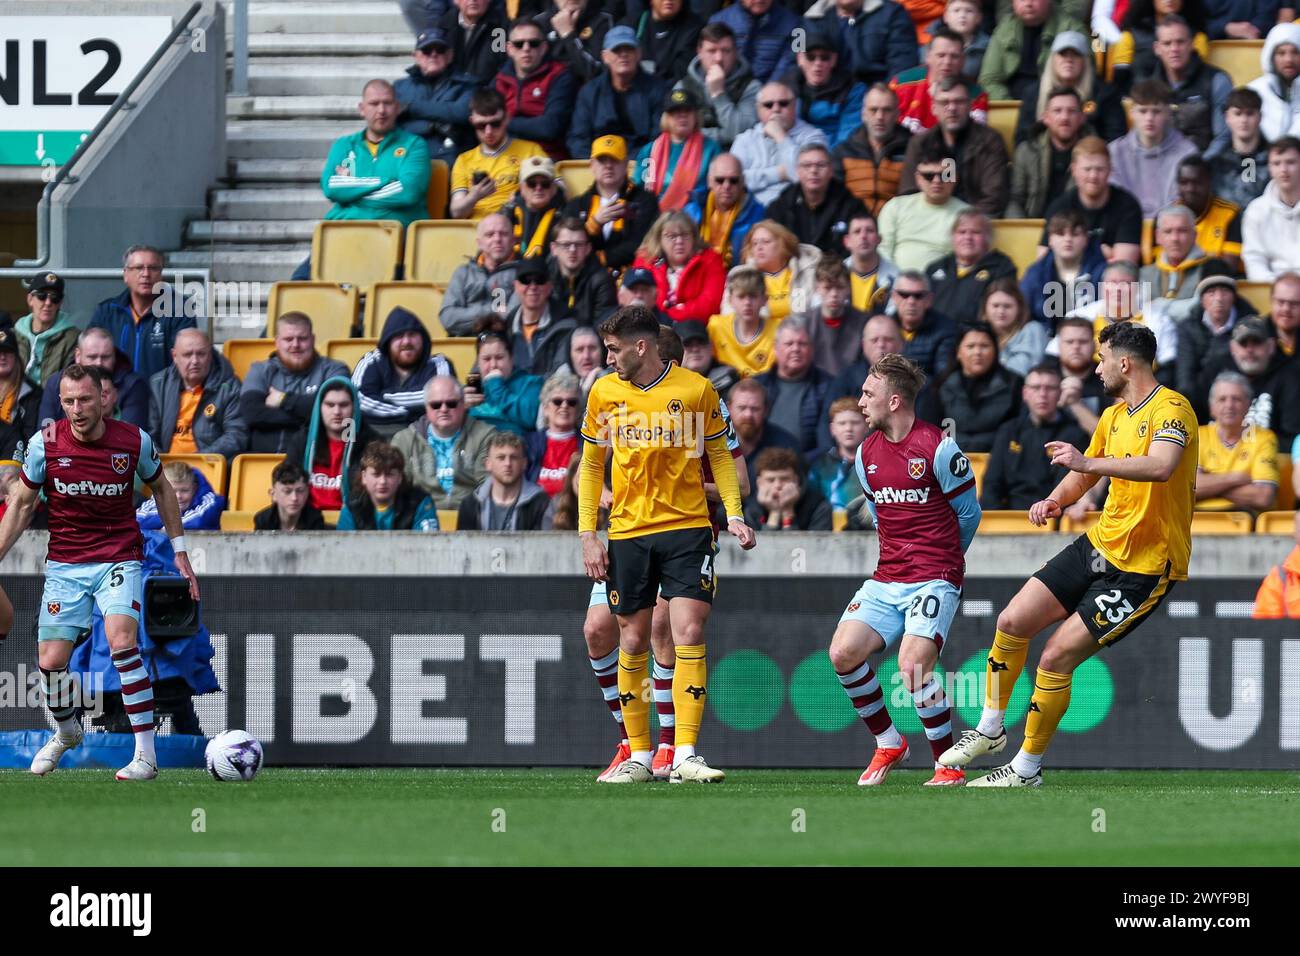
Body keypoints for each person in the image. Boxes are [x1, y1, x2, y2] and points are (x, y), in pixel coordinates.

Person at [943, 322, 1197, 787]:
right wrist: (1056, 499)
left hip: (1144, 566)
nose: (1096, 368)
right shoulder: (1114, 416)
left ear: (1124, 362)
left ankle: (1026, 769)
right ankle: (990, 729)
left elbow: (1162, 467)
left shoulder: (1173, 409)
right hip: (1099, 545)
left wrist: (1088, 464)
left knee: (1056, 657)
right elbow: (1084, 473)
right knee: (1011, 622)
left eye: (1101, 359)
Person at [578, 305, 755, 783]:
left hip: (687, 528)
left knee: (688, 631)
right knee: (632, 639)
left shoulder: (695, 391)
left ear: (642, 347)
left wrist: (734, 515)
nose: (607, 358)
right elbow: (592, 466)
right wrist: (588, 535)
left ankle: (685, 752)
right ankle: (638, 754)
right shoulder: (603, 393)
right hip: (629, 532)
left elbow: (719, 455)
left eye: (614, 349)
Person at [0, 363, 199, 780]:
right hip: (66, 564)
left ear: (104, 399)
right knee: (51, 663)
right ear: (61, 403)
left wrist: (179, 550)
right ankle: (68, 732)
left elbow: (162, 487)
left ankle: (146, 756)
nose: (77, 408)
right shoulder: (44, 445)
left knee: (122, 642)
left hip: (118, 556)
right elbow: (20, 505)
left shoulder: (132, 442)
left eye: (85, 399)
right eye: (69, 401)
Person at [828, 352, 980, 786]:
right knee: (842, 653)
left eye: (868, 394)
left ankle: (947, 765)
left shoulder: (939, 447)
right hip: (888, 576)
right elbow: (878, 512)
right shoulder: (866, 453)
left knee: (913, 665)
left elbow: (968, 515)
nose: (860, 402)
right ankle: (889, 742)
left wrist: (947, 562)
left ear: (894, 401)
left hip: (935, 576)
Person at [318, 80, 430, 229]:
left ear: (397, 108)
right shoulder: (344, 145)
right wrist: (388, 182)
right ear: (362, 109)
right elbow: (331, 187)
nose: (381, 110)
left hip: (397, 234)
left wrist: (351, 194)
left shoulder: (414, 145)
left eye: (387, 103)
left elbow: (408, 192)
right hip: (347, 234)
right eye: (374, 103)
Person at [980, 364, 1090, 509]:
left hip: (1053, 516)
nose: (1043, 394)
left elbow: (1068, 489)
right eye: (1036, 388)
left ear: (1059, 393)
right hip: (1011, 519)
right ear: (1025, 393)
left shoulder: (1074, 435)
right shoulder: (1009, 431)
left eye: (1050, 388)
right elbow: (992, 484)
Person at [239, 313, 350, 454]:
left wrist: (282, 399)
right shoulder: (259, 370)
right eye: (288, 339)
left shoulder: (334, 369)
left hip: (316, 461)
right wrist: (311, 415)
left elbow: (337, 410)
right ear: (277, 342)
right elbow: (251, 413)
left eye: (302, 339)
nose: (296, 345)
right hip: (261, 460)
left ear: (313, 340)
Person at [899, 76, 1009, 218]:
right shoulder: (919, 143)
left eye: (959, 102)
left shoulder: (990, 141)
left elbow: (995, 196)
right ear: (933, 108)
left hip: (974, 225)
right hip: (929, 223)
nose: (952, 108)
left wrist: (962, 222)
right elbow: (909, 193)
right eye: (944, 102)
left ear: (970, 105)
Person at [90, 245, 199, 382]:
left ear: (161, 275)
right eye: (138, 268)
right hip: (116, 397)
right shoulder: (107, 311)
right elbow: (89, 357)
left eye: (153, 268)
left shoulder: (179, 310)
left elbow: (185, 361)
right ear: (126, 275)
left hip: (161, 399)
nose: (146, 274)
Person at [392, 374, 497, 510]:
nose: (444, 409)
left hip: (471, 518)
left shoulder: (485, 435)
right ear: (426, 408)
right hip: (421, 519)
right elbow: (398, 489)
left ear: (463, 404)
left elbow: (489, 486)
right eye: (436, 405)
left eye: (451, 403)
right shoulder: (404, 440)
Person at [566, 27, 668, 160]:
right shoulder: (589, 92)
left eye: (629, 49)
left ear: (638, 54)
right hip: (599, 164)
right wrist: (596, 164)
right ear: (605, 57)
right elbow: (578, 139)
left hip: (642, 164)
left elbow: (660, 139)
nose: (623, 54)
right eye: (616, 50)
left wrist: (628, 163)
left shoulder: (657, 88)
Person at [562, 135, 660, 273]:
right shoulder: (576, 205)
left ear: (626, 163)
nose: (608, 166)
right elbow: (567, 245)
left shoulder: (645, 200)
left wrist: (599, 259)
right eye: (602, 160)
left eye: (614, 160)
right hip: (586, 280)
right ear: (592, 165)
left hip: (632, 279)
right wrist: (594, 224)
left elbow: (641, 244)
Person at [352, 307, 456, 434]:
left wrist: (385, 396)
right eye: (399, 336)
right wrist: (405, 413)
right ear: (388, 341)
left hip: (424, 437)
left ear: (423, 339)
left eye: (412, 335)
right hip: (375, 436)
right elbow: (359, 400)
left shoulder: (439, 364)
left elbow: (440, 399)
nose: (406, 341)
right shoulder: (370, 361)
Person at [147, 328, 246, 459]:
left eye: (201, 354)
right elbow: (150, 436)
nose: (195, 361)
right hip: (165, 468)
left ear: (210, 355)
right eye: (187, 355)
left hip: (207, 467)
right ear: (174, 356)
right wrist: (160, 463)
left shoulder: (230, 387)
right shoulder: (158, 384)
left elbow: (236, 435)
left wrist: (196, 460)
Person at [286, 377, 380, 513]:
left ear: (354, 408)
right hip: (308, 521)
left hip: (353, 522)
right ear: (319, 408)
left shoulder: (371, 443)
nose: (337, 412)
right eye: (330, 405)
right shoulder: (302, 441)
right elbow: (286, 483)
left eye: (344, 405)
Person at [1108, 78, 1199, 219]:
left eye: (1156, 112)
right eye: (1143, 111)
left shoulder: (1188, 153)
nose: (1149, 118)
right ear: (1132, 113)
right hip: (1125, 228)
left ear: (1168, 113)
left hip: (1170, 229)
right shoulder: (1114, 152)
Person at [450, 88, 547, 220]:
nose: (488, 131)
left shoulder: (531, 151)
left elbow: (558, 190)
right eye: (481, 125)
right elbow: (456, 213)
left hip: (518, 227)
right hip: (476, 231)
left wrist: (522, 198)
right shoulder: (464, 160)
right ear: (472, 121)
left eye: (495, 123)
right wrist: (474, 196)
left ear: (507, 118)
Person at [1015, 30, 1124, 146]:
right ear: (1052, 59)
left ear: (1085, 61)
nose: (1069, 59)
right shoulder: (1032, 94)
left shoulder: (1105, 94)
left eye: (1076, 54)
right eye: (1063, 54)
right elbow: (1022, 140)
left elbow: (1116, 140)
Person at [730, 82, 829, 205]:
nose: (776, 109)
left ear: (794, 106)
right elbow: (732, 181)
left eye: (783, 103)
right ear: (758, 109)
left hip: (795, 210)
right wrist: (779, 174)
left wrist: (781, 137)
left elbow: (803, 176)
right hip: (751, 212)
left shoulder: (813, 137)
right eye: (768, 105)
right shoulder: (745, 140)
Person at [878, 141, 971, 272]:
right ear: (918, 178)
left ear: (955, 178)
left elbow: (970, 261)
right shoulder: (895, 207)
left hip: (944, 286)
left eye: (945, 175)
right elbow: (883, 250)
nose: (936, 181)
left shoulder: (968, 215)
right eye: (928, 176)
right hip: (896, 285)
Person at [494, 17, 577, 162]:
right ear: (509, 49)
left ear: (543, 48)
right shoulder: (500, 79)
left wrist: (504, 122)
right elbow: (486, 121)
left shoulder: (559, 76)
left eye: (533, 43)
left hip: (546, 159)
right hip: (505, 158)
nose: (526, 49)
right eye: (519, 44)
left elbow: (550, 127)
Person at [1194, 371, 1280, 511]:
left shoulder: (1264, 438)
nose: (1229, 405)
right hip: (1199, 518)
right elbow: (1187, 489)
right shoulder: (1198, 435)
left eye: (1236, 399)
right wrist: (1236, 478)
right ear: (1211, 407)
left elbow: (1263, 497)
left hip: (1244, 520)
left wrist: (1209, 485)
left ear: (1248, 405)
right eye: (1222, 399)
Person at [395, 27, 475, 174]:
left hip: (451, 161)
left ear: (450, 55)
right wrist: (434, 126)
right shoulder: (400, 87)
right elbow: (392, 123)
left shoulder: (467, 84)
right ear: (416, 56)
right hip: (406, 158)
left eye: (440, 50)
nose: (433, 55)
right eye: (426, 51)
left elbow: (462, 113)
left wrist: (412, 107)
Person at [765, 143, 869, 253]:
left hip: (837, 267)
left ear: (831, 171)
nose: (814, 171)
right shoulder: (780, 207)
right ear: (798, 171)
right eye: (807, 166)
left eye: (821, 165)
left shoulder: (851, 205)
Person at [1175, 266, 1258, 405]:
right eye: (1211, 293)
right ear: (1201, 300)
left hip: (1240, 398)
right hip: (1200, 398)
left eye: (1225, 291)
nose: (1219, 299)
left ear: (1234, 297)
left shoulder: (1252, 324)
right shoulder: (1188, 327)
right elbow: (1185, 377)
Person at [1150, 13, 1232, 153]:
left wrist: (1199, 166)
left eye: (1180, 42)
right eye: (1167, 43)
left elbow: (1223, 138)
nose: (1174, 49)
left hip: (1206, 167)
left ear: (1191, 44)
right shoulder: (1149, 87)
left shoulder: (1217, 81)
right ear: (1157, 48)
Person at [39, 327, 149, 430]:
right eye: (92, 357)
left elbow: (132, 437)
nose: (99, 363)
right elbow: (46, 434)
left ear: (114, 356)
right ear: (78, 355)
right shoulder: (56, 383)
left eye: (105, 357)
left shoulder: (133, 385)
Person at [938, 322, 1024, 453]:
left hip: (998, 458)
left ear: (995, 350)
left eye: (984, 346)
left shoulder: (1014, 384)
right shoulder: (940, 386)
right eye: (970, 346)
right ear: (958, 352)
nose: (977, 352)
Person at [752, 317, 834, 454]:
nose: (796, 349)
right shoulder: (758, 385)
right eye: (789, 344)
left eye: (802, 344)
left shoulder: (827, 386)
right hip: (761, 465)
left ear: (811, 349)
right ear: (775, 349)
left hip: (807, 466)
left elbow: (826, 441)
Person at [672, 21, 761, 148]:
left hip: (736, 159)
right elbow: (676, 131)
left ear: (735, 52)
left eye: (726, 51)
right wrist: (723, 135)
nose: (719, 58)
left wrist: (718, 94)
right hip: (692, 155)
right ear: (699, 52)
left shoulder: (751, 87)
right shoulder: (684, 86)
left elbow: (742, 133)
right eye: (712, 51)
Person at [1007, 86, 1090, 220]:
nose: (1065, 117)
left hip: (1076, 232)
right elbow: (1015, 199)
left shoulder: (1094, 154)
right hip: (1033, 229)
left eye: (1072, 111)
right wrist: (1024, 230)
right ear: (1045, 118)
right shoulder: (1026, 151)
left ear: (1082, 117)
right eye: (1057, 111)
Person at [979, 0, 1087, 102]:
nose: (1028, 4)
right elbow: (989, 79)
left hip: (1057, 106)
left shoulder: (1072, 28)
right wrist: (1008, 105)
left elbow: (1086, 74)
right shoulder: (1003, 30)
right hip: (1010, 106)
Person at [924, 210, 1017, 327]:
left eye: (976, 232)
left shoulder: (1002, 268)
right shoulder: (936, 268)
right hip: (934, 336)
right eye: (962, 232)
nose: (968, 237)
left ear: (988, 237)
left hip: (976, 338)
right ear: (953, 237)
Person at [634, 88, 722, 212]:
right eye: (675, 111)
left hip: (694, 217)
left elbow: (716, 190)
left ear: (695, 116)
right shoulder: (650, 150)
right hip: (653, 217)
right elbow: (637, 190)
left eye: (687, 111)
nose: (682, 116)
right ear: (666, 118)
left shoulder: (710, 149)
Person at [832, 83, 914, 216]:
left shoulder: (914, 149)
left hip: (899, 225)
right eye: (873, 110)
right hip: (855, 228)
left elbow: (946, 172)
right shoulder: (843, 151)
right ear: (863, 114)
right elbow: (834, 199)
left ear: (897, 114)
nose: (879, 117)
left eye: (886, 110)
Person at [631, 211, 727, 324]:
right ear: (659, 239)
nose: (679, 241)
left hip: (695, 330)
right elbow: (637, 300)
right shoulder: (645, 260)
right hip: (651, 330)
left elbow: (710, 304)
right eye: (672, 236)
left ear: (694, 237)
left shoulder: (710, 259)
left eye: (685, 235)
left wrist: (668, 316)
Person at [891, 26, 989, 135]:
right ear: (928, 57)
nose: (947, 62)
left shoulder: (976, 95)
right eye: (941, 55)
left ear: (963, 60)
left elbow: (975, 140)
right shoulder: (901, 84)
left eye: (954, 56)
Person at [1021, 209, 1108, 329]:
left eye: (1075, 234)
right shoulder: (1035, 273)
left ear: (1086, 240)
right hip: (1044, 342)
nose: (1068, 239)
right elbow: (1021, 314)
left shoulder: (1103, 272)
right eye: (1060, 233)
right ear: (1050, 239)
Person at [782, 27, 868, 149]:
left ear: (834, 60)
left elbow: (848, 138)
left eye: (825, 57)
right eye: (811, 57)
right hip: (791, 154)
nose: (818, 63)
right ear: (800, 59)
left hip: (831, 158)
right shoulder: (784, 88)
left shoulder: (852, 90)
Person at [439, 212, 520, 337]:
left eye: (503, 234)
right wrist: (492, 313)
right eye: (489, 234)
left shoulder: (523, 273)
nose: (497, 239)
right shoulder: (463, 272)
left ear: (513, 240)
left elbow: (514, 316)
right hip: (464, 346)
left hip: (506, 347)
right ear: (479, 242)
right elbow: (448, 318)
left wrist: (469, 316)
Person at [806, 0, 919, 89]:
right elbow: (795, 61)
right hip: (827, 100)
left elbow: (903, 67)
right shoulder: (810, 18)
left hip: (880, 102)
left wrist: (884, 95)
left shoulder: (894, 14)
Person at [683, 153, 767, 270]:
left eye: (733, 180)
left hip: (739, 279)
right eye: (720, 180)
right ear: (709, 181)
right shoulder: (691, 211)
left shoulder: (759, 216)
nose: (726, 186)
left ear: (742, 182)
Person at [1106, 0, 1211, 93]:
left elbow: (1199, 79)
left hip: (1186, 104)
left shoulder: (1197, 38)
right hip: (1142, 104)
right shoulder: (1129, 36)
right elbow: (1119, 83)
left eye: (1180, 42)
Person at [456, 429, 551, 529]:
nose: (508, 464)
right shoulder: (471, 504)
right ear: (488, 464)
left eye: (513, 457)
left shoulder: (541, 503)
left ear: (524, 463)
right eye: (501, 458)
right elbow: (464, 544)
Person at [337, 440, 439, 531]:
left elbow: (427, 546)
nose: (383, 481)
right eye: (376, 474)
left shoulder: (420, 502)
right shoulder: (352, 506)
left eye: (389, 474)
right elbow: (343, 548)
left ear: (400, 477)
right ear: (364, 477)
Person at [466, 321, 544, 434]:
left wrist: (496, 388)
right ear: (478, 362)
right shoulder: (471, 391)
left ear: (511, 358)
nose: (493, 365)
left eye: (499, 357)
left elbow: (530, 418)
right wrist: (459, 409)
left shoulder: (532, 384)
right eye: (486, 359)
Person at [735, 219, 821, 321]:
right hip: (759, 335)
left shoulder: (803, 271)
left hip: (798, 333)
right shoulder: (740, 276)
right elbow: (733, 316)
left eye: (766, 242)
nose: (759, 247)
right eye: (755, 243)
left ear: (783, 244)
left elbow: (801, 310)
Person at [1139, 204, 1211, 325]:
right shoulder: (1144, 274)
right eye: (1168, 231)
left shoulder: (1212, 269)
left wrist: (1157, 305)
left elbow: (1200, 310)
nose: (1175, 238)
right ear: (1158, 236)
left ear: (1195, 235)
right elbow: (1138, 310)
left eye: (1182, 231)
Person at [506, 257, 576, 376]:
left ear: (549, 286)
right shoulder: (504, 326)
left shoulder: (566, 326)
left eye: (539, 280)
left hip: (551, 392)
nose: (533, 287)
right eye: (526, 280)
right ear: (516, 286)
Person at [730, 375, 802, 491]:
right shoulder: (711, 442)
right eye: (742, 408)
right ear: (729, 408)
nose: (748, 415)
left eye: (755, 409)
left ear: (765, 410)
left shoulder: (786, 446)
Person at [707, 264, 781, 376]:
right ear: (730, 300)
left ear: (764, 299)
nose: (747, 303)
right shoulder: (716, 326)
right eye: (741, 297)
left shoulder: (778, 329)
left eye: (753, 296)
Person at [1243, 136, 1300, 280]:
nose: (1284, 169)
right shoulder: (1256, 210)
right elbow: (1254, 260)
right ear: (1269, 168)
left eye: (1291, 162)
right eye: (1276, 163)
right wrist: (1281, 289)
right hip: (1271, 292)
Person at [1174, 155, 1244, 272]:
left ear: (1209, 182)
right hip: (1176, 282)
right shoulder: (1167, 217)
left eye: (1197, 182)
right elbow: (1160, 265)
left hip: (1213, 284)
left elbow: (1229, 267)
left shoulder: (1229, 213)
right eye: (1184, 182)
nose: (1190, 188)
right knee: (1145, 283)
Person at [1207, 86, 1272, 212]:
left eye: (1250, 113)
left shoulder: (1275, 161)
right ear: (1227, 117)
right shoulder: (1215, 164)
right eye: (1238, 113)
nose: (1243, 120)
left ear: (1260, 117)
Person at [802, 254, 869, 375]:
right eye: (827, 288)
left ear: (849, 288)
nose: (834, 294)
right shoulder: (803, 323)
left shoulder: (864, 323)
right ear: (817, 288)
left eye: (840, 287)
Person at [707, 0, 800, 84]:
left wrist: (772, 89)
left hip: (775, 95)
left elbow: (792, 63)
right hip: (728, 88)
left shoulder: (795, 25)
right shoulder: (718, 21)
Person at [548, 217, 618, 326]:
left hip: (588, 340)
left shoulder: (602, 280)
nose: (572, 250)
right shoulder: (544, 277)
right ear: (554, 249)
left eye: (578, 244)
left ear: (588, 248)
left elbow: (604, 326)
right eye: (566, 245)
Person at [743, 446, 833, 529]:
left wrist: (788, 512)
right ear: (759, 483)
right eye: (770, 480)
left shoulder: (818, 507)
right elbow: (757, 546)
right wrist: (775, 513)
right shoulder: (750, 510)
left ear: (796, 480)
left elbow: (815, 544)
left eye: (784, 479)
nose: (777, 485)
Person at [14, 271, 78, 388]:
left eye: (55, 298)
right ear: (30, 299)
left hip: (53, 402)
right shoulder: (14, 335)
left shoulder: (73, 338)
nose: (48, 303)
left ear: (60, 303)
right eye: (41, 296)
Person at [891, 270, 957, 378]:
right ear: (894, 297)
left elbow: (943, 377)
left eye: (918, 295)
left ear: (929, 299)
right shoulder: (883, 327)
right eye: (904, 294)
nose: (911, 301)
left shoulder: (946, 330)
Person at [499, 156, 566, 260]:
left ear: (554, 188)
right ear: (521, 188)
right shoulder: (507, 212)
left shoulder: (566, 213)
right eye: (531, 184)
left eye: (545, 184)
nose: (538, 188)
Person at [526, 371, 581, 496]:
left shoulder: (588, 444)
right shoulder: (528, 444)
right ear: (545, 408)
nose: (564, 406)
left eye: (571, 402)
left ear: (578, 410)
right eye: (557, 401)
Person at [808, 396, 869, 510]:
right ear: (832, 429)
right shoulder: (820, 466)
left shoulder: (876, 462)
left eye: (855, 423)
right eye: (842, 423)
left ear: (866, 426)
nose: (848, 428)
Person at [980, 278, 1049, 378]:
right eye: (995, 306)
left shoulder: (1032, 330)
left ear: (1019, 308)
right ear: (985, 308)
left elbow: (1020, 372)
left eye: (1007, 306)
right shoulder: (978, 335)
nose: (1001, 311)